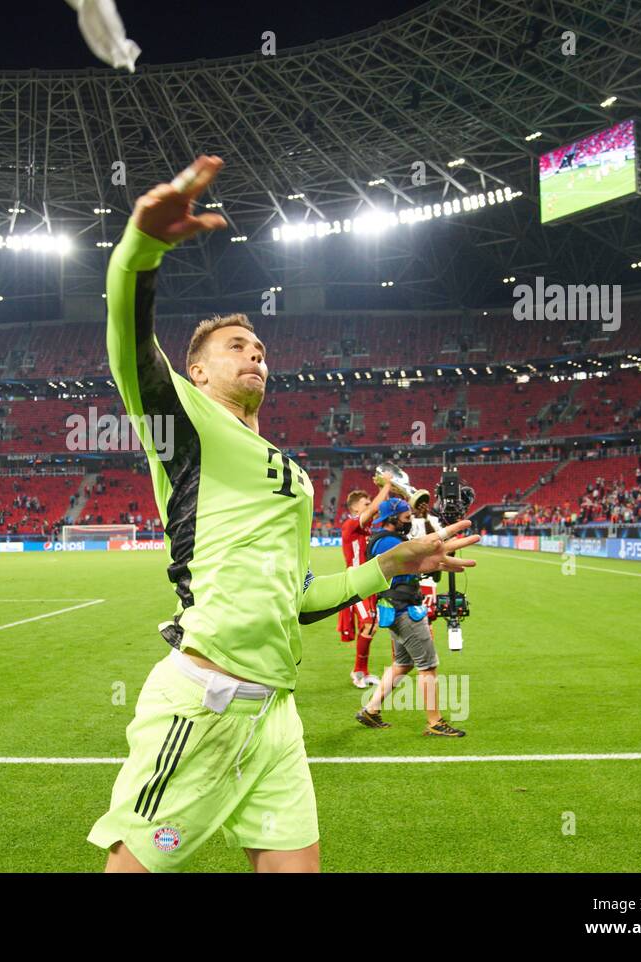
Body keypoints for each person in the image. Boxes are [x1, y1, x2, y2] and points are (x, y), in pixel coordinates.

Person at [87, 155, 478, 873]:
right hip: (205, 701)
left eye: (261, 348)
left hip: (277, 712)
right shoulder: (187, 425)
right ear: (197, 371)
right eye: (237, 347)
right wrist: (140, 247)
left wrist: (392, 563)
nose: (257, 355)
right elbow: (126, 346)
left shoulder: (289, 472)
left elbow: (299, 600)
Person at [356, 499, 466, 737]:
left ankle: (371, 710)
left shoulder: (383, 540)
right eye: (406, 518)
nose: (409, 521)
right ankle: (435, 722)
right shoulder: (388, 542)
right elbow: (416, 557)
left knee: (403, 663)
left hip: (393, 607)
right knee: (428, 665)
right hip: (403, 608)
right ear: (392, 519)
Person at [338, 482, 393, 688]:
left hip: (369, 582)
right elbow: (373, 510)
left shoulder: (367, 528)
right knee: (369, 623)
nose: (370, 505)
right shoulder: (351, 524)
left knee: (371, 626)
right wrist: (387, 484)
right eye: (366, 503)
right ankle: (358, 672)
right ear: (355, 508)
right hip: (356, 583)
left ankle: (362, 670)